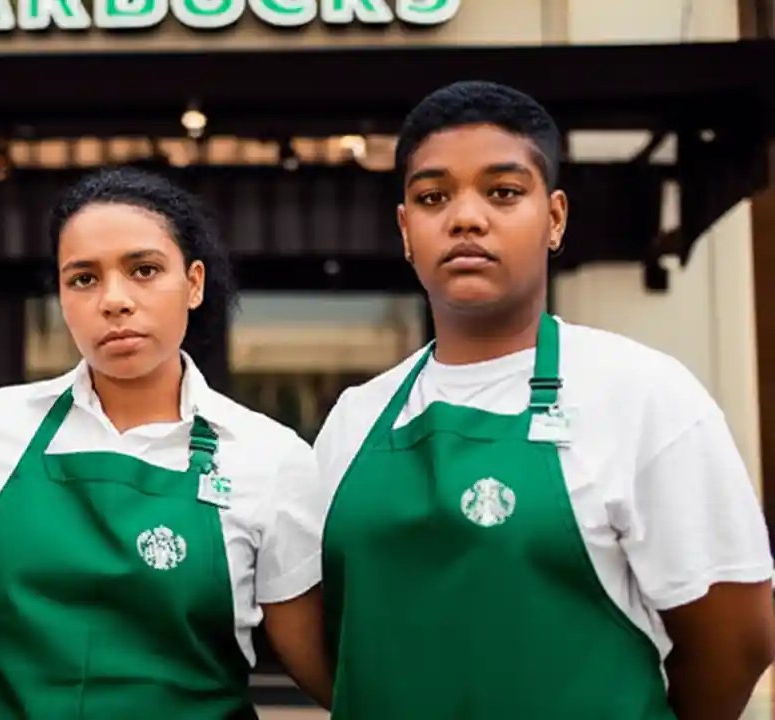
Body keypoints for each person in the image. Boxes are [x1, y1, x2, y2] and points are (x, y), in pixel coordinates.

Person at [315, 80, 775, 719]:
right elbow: (341, 638)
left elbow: (737, 642)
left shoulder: (642, 394)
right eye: (432, 197)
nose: (466, 217)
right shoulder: (355, 419)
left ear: (554, 218)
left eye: (503, 192)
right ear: (405, 229)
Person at [0, 167, 333, 717]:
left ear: (194, 283)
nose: (114, 301)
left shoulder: (270, 456)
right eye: (83, 279)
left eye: (144, 270)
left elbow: (312, 660)